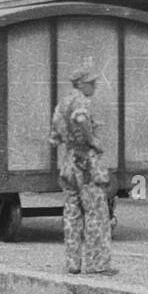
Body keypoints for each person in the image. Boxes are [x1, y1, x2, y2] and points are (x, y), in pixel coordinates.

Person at [49, 67, 113, 274]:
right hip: (86, 162)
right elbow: (82, 120)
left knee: (72, 213)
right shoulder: (81, 102)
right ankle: (96, 264)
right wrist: (92, 140)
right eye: (91, 82)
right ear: (81, 84)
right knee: (96, 212)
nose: (94, 86)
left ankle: (73, 262)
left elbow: (54, 138)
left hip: (69, 161)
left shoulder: (62, 104)